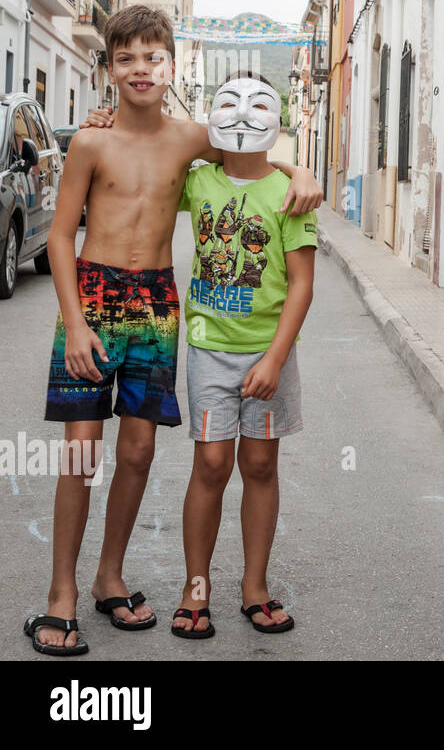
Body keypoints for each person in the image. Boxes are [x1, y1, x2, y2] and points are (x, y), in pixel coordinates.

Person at [23, 6, 322, 656]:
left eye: (152, 57)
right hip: (96, 299)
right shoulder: (90, 141)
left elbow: (254, 156)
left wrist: (301, 171)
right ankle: (60, 594)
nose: (140, 69)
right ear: (108, 69)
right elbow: (57, 234)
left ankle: (109, 575)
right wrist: (74, 322)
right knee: (82, 451)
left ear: (172, 66)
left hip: (156, 303)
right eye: (125, 57)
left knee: (137, 451)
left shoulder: (191, 137)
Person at [168, 72, 315, 638]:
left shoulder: (291, 194)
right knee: (209, 464)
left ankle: (255, 585)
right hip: (208, 348)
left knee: (260, 465)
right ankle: (195, 586)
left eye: (259, 106)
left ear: (277, 119)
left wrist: (276, 358)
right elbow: (164, 145)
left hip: (268, 351)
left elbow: (301, 284)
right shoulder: (198, 183)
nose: (243, 115)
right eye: (228, 103)